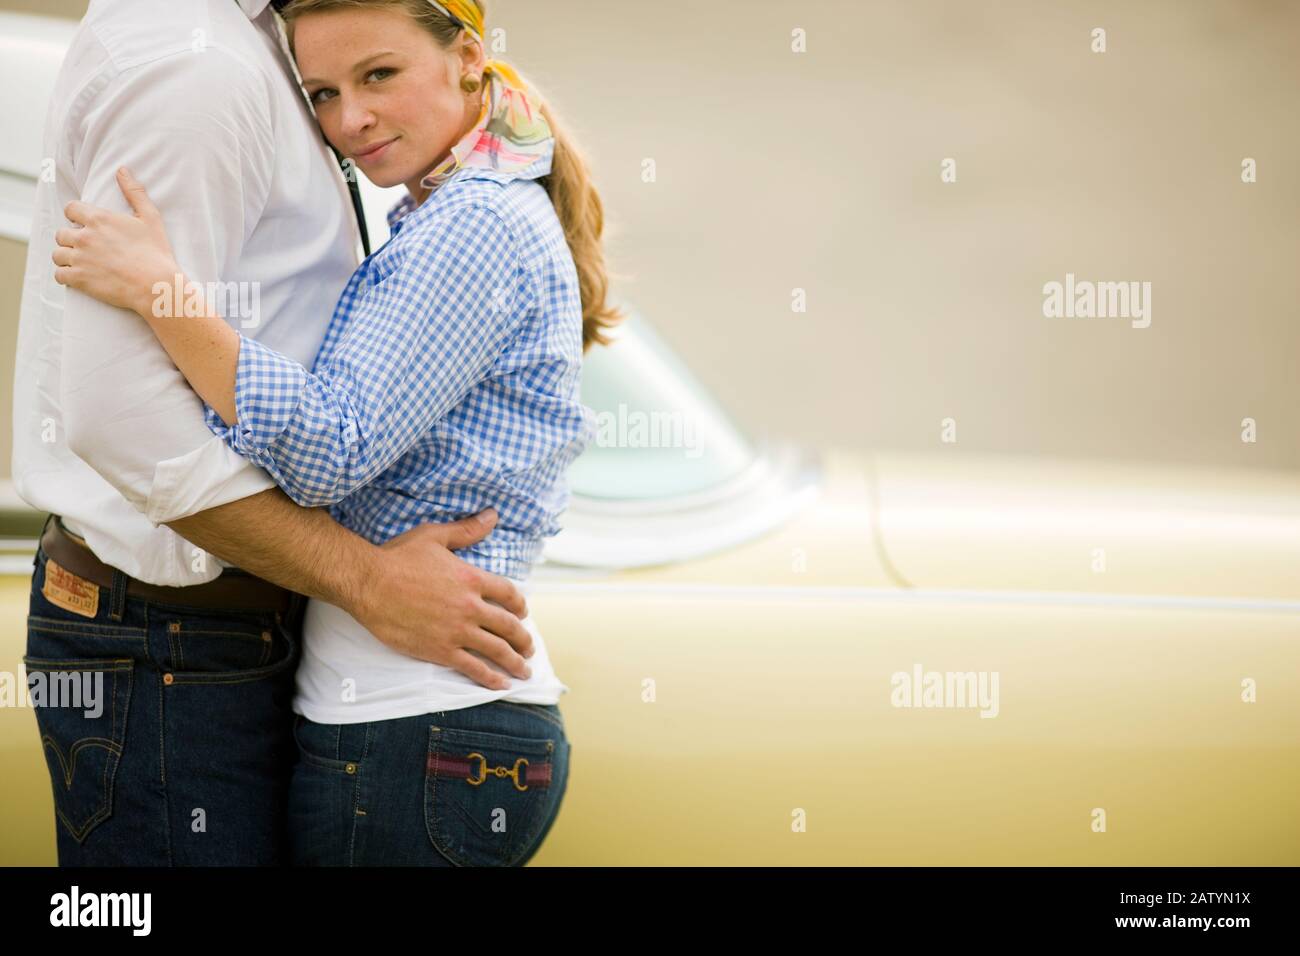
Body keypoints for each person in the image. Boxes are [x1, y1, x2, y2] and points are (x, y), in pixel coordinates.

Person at [51, 0, 622, 866]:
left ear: (468, 59)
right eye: (321, 92)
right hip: (415, 723)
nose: (348, 119)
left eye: (378, 76)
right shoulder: (453, 212)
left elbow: (333, 448)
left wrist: (163, 294)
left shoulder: (474, 226)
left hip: (420, 722)